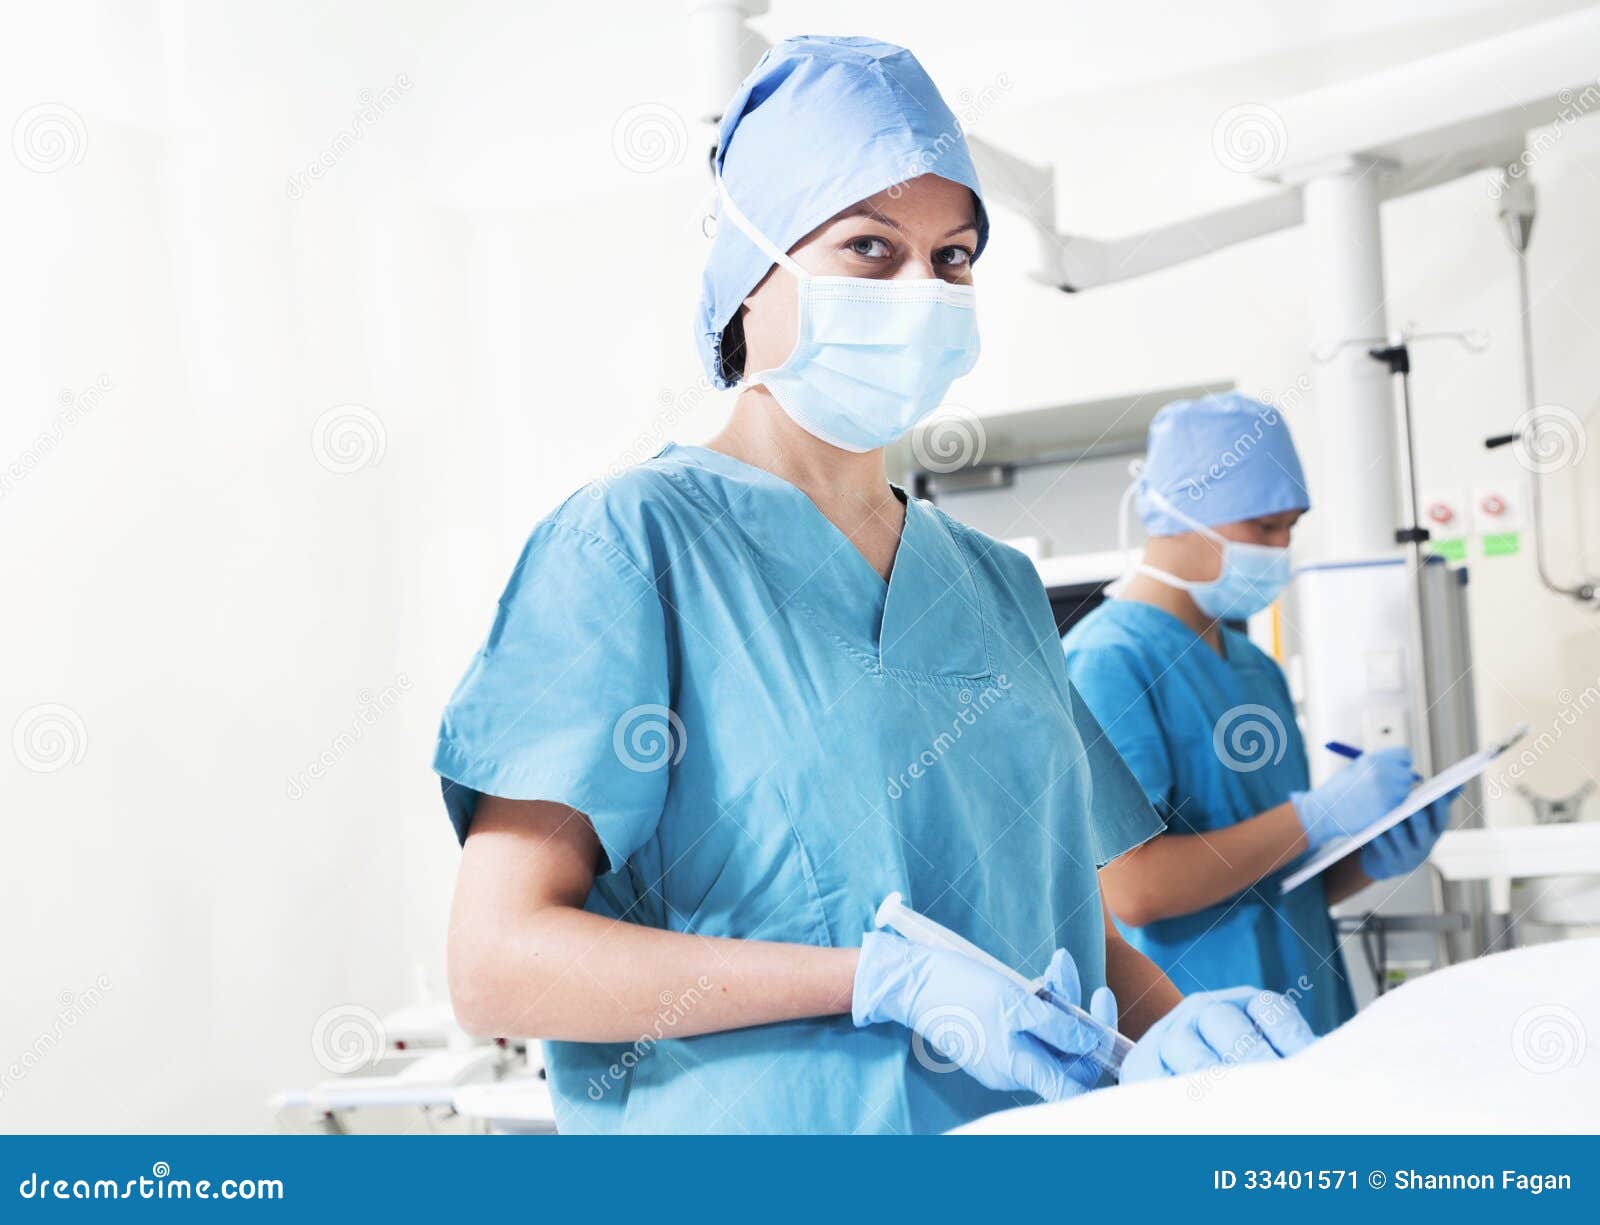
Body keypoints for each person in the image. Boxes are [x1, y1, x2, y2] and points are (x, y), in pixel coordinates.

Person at [435, 37, 1314, 1136]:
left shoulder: (991, 584)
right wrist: (869, 979)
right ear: (748, 274)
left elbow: (1062, 922)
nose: (921, 291)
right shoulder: (633, 545)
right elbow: (498, 962)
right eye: (869, 247)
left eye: (952, 259)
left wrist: (1177, 1034)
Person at [1061, 393, 1458, 1035]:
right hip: (1203, 1035)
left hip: (1308, 1021)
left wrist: (1370, 856)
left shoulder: (1255, 668)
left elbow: (1271, 887)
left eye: (1289, 529)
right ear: (1180, 512)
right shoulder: (1108, 662)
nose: (1280, 548)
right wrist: (1319, 814)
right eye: (1263, 528)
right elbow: (1133, 890)